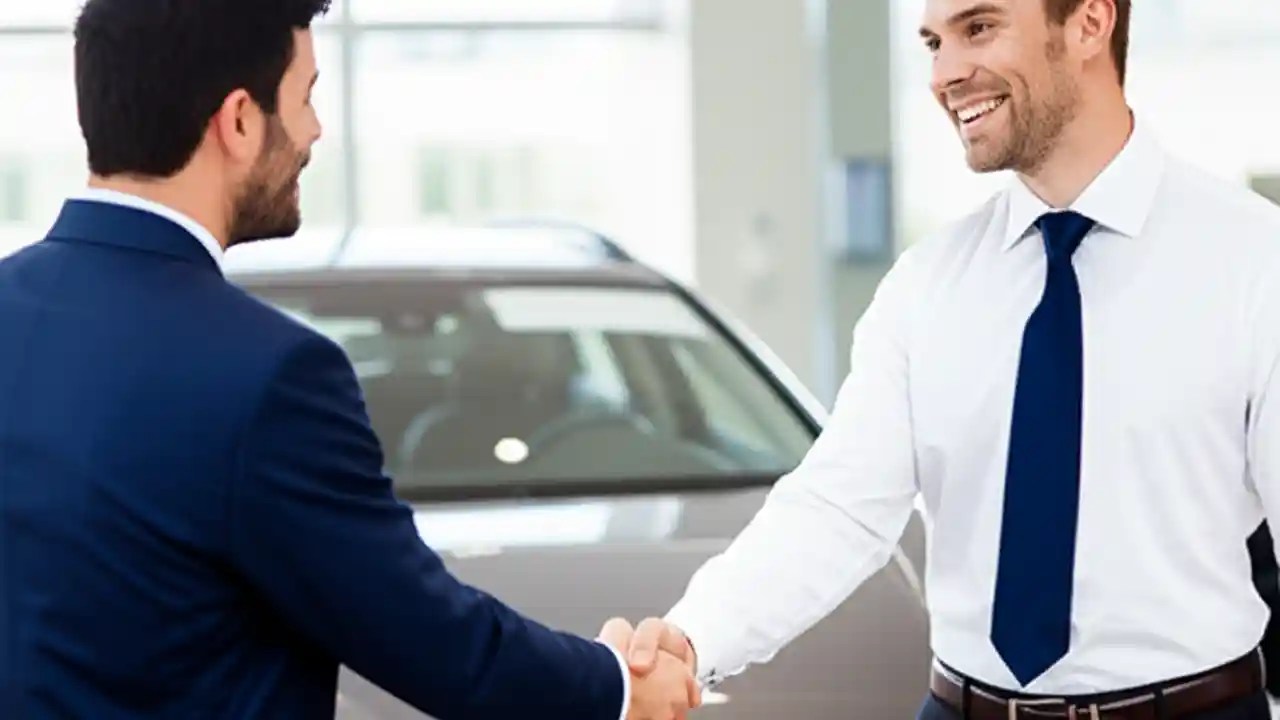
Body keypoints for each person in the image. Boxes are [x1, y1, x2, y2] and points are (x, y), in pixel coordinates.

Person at [0, 1, 699, 718]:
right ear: (239, 120)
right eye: (304, 96)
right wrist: (617, 687)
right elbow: (431, 641)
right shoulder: (271, 374)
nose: (314, 130)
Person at [615, 0, 1280, 718]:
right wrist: (692, 639)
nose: (945, 74)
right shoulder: (926, 285)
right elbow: (838, 508)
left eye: (979, 28)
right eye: (934, 42)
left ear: (1091, 22)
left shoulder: (1253, 262)